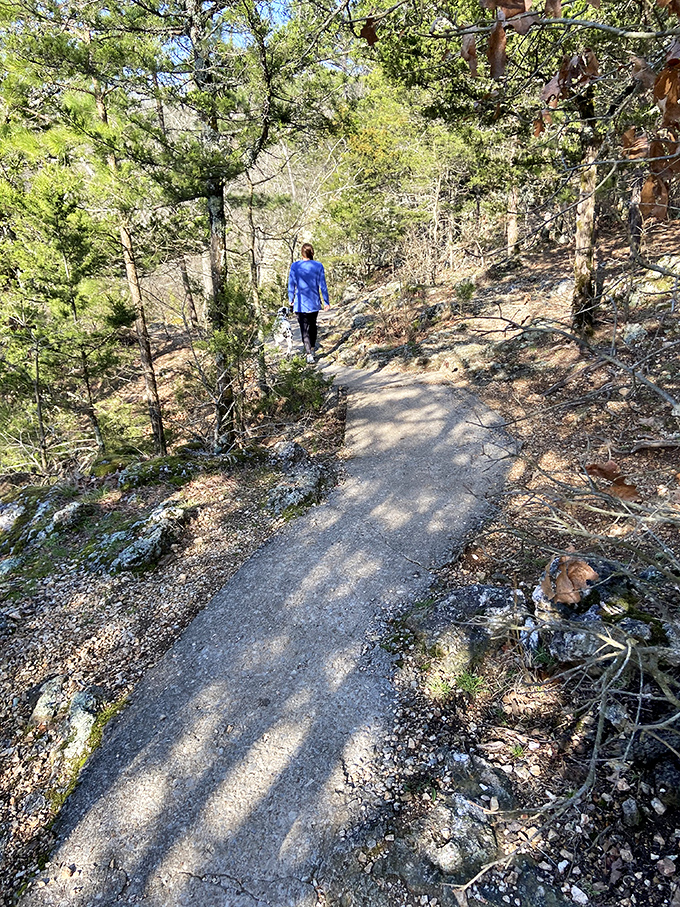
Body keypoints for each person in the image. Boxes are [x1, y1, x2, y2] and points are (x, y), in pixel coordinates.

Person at [287, 242, 330, 363]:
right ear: (312, 253)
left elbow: (291, 284)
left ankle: (308, 353)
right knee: (312, 326)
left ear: (302, 253)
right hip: (314, 302)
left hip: (300, 304)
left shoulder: (295, 266)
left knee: (304, 329)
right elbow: (323, 285)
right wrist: (326, 301)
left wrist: (291, 298)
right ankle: (311, 347)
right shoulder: (318, 266)